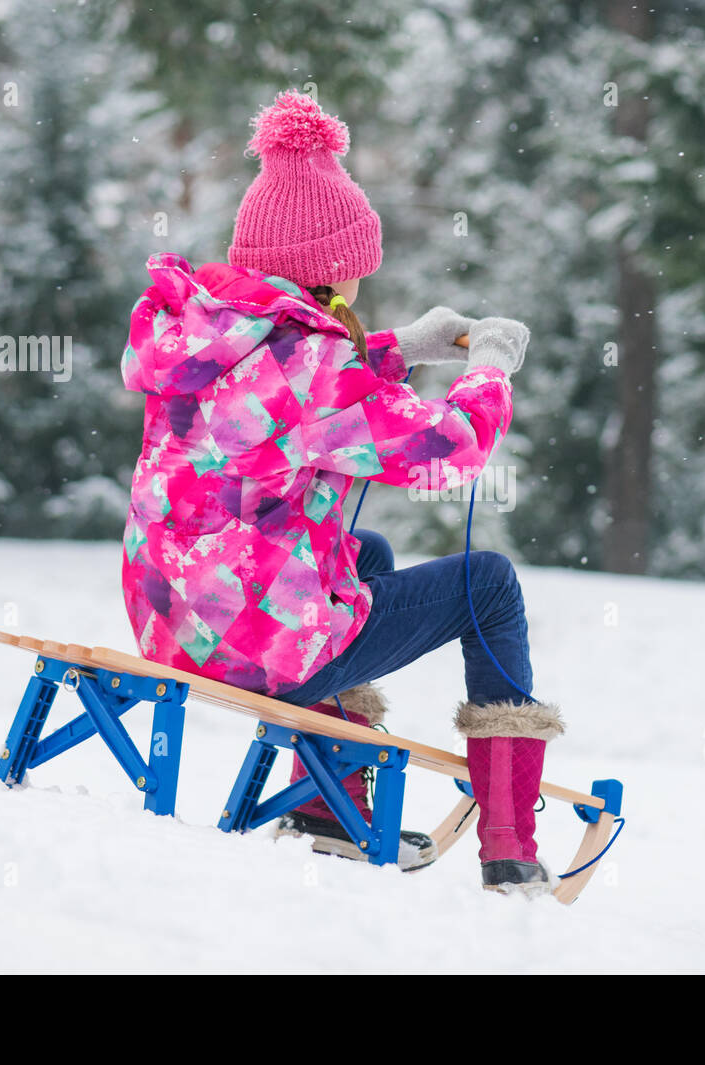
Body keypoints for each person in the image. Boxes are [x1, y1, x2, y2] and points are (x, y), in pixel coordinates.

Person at [120, 89, 563, 896]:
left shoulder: (205, 335)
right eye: (359, 258)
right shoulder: (315, 367)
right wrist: (486, 367)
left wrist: (401, 347)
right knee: (489, 585)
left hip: (173, 622)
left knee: (367, 554)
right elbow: (451, 450)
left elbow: (286, 400)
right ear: (332, 270)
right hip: (259, 646)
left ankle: (330, 807)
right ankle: (510, 844)